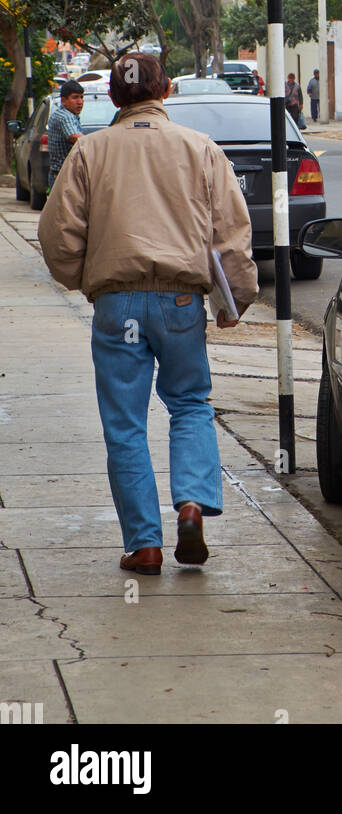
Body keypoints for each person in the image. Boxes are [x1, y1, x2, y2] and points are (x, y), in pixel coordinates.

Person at [37, 53, 258, 577]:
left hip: (117, 304)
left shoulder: (90, 152)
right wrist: (235, 300)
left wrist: (80, 277)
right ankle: (190, 504)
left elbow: (57, 233)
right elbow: (230, 232)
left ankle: (145, 545)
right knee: (189, 404)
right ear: (165, 92)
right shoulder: (200, 149)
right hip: (181, 302)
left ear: (112, 98)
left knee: (125, 424)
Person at [47, 80, 85, 188]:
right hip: (63, 178)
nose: (80, 101)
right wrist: (98, 141)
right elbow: (74, 136)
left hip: (62, 175)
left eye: (82, 97)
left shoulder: (67, 115)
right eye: (75, 97)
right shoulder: (65, 116)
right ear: (63, 100)